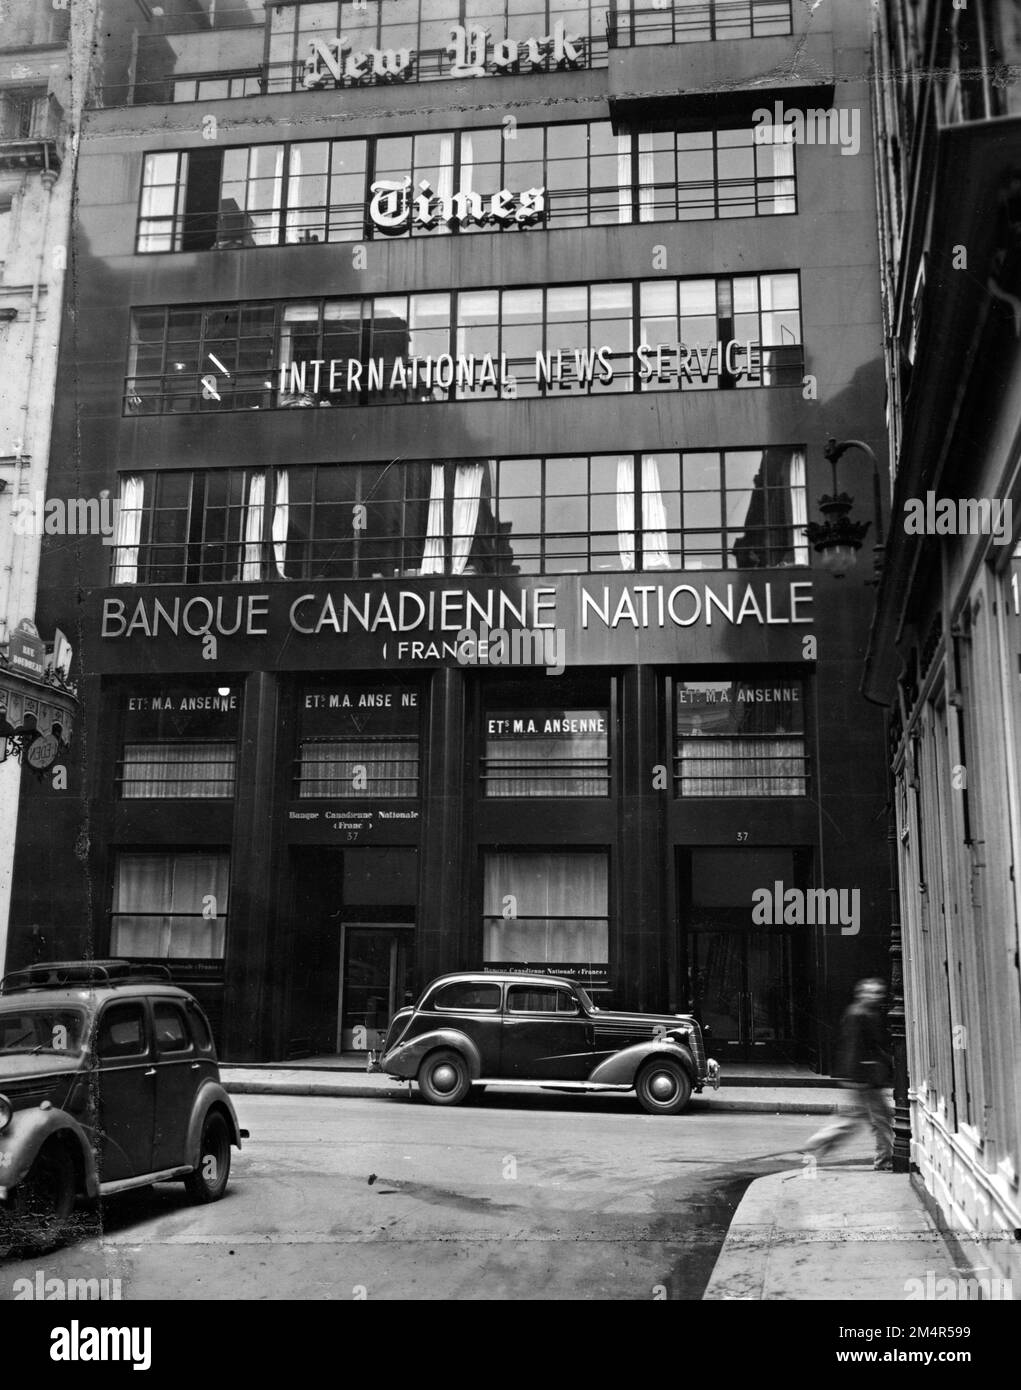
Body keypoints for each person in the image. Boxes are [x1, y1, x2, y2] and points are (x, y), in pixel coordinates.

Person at [803, 978, 894, 1171]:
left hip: (864, 1077)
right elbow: (853, 1047)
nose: (877, 996)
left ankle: (816, 1143)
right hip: (865, 1077)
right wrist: (856, 1077)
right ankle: (885, 1160)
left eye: (879, 992)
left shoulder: (864, 1013)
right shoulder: (860, 1014)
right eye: (872, 992)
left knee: (855, 1117)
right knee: (881, 1120)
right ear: (861, 994)